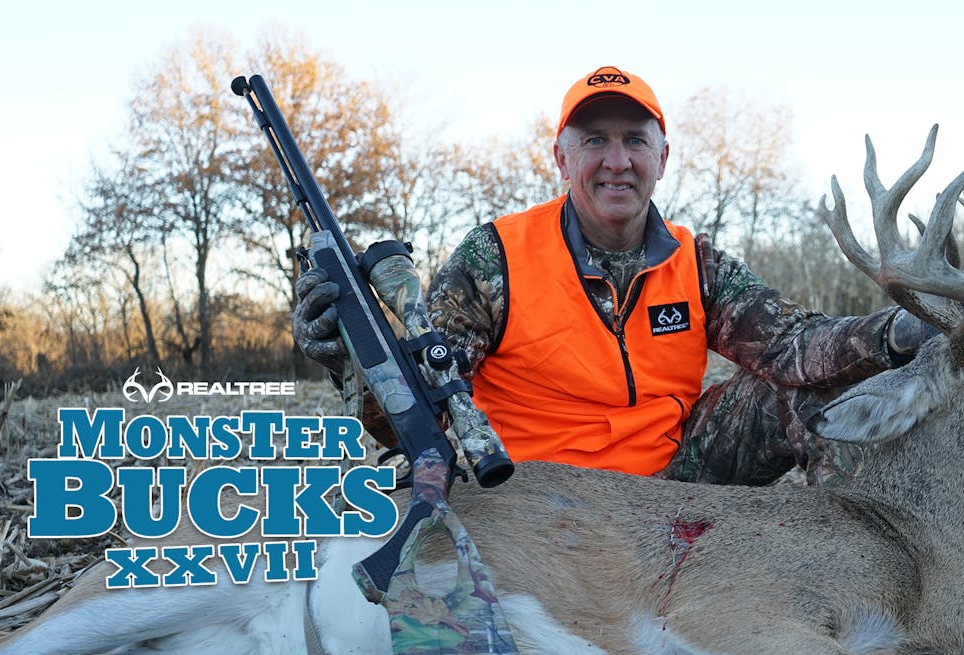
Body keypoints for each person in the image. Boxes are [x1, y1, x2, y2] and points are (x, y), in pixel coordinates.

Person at [294, 65, 929, 486]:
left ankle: (868, 574)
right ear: (561, 158)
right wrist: (345, 356)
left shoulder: (694, 261)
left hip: (672, 480)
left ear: (662, 157)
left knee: (818, 394)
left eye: (635, 140)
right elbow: (424, 398)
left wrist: (898, 333)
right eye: (595, 140)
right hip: (536, 492)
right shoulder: (496, 257)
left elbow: (795, 345)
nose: (617, 161)